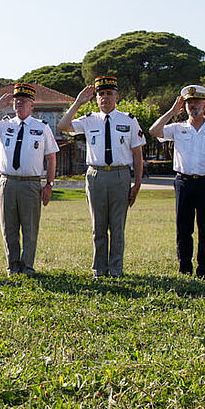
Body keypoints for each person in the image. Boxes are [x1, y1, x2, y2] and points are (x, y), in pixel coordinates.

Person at [58, 76, 145, 278]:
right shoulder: (89, 120)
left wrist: (137, 183)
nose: (104, 98)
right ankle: (99, 269)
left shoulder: (129, 120)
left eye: (108, 93)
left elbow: (137, 154)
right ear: (96, 98)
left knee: (117, 227)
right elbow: (63, 126)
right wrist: (78, 102)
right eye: (100, 94)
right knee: (98, 227)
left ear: (117, 96)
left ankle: (116, 269)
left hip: (120, 175)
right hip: (96, 176)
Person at [149, 85, 205, 277]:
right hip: (184, 182)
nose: (193, 106)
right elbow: (154, 131)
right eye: (189, 103)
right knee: (183, 229)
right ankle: (185, 268)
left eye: (197, 102)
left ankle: (203, 269)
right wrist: (171, 111)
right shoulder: (177, 128)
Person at [0, 83, 58, 276]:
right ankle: (12, 266)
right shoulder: (5, 125)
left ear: (32, 105)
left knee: (30, 228)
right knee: (9, 227)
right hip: (7, 182)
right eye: (16, 101)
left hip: (31, 183)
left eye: (24, 101)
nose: (19, 104)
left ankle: (27, 266)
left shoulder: (42, 127)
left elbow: (51, 157)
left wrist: (49, 184)